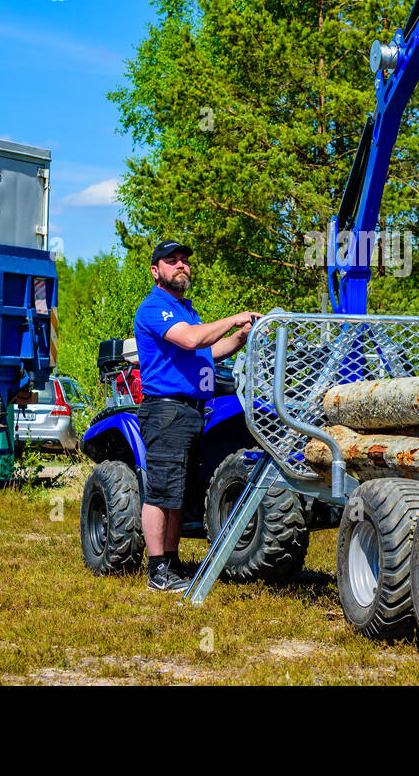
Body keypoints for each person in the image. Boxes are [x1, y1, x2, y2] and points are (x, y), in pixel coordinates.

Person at [133, 239, 259, 591]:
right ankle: (156, 569)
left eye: (184, 260)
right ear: (156, 270)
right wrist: (234, 317)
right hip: (166, 410)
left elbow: (207, 352)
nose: (181, 265)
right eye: (171, 261)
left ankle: (170, 564)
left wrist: (240, 337)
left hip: (190, 410)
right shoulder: (155, 307)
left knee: (178, 491)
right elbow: (190, 341)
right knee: (161, 491)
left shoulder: (186, 310)